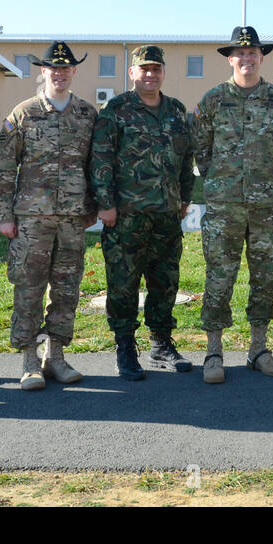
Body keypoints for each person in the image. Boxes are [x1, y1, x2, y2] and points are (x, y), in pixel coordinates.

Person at [0, 42, 99, 391]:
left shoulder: (87, 115)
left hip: (72, 220)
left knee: (66, 290)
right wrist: (4, 214)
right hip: (31, 221)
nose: (60, 73)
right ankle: (28, 361)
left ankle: (56, 356)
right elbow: (5, 168)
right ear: (43, 72)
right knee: (28, 289)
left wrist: (93, 207)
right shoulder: (23, 114)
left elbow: (96, 167)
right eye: (54, 68)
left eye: (66, 68)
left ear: (74, 72)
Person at [194, 26, 273, 384]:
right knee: (219, 277)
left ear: (261, 57)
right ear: (229, 58)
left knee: (266, 277)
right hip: (224, 208)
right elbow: (201, 150)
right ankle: (213, 351)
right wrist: (220, 181)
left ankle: (258, 348)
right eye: (240, 53)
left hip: (267, 206)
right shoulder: (212, 100)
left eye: (253, 52)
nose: (246, 58)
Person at [91, 45, 195, 381]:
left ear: (163, 73)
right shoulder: (116, 110)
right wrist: (105, 204)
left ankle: (161, 343)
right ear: (133, 73)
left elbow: (186, 160)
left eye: (156, 69)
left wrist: (184, 199)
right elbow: (101, 159)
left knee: (165, 282)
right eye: (144, 69)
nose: (150, 75)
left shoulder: (177, 111)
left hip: (166, 215)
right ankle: (124, 346)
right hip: (126, 216)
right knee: (123, 284)